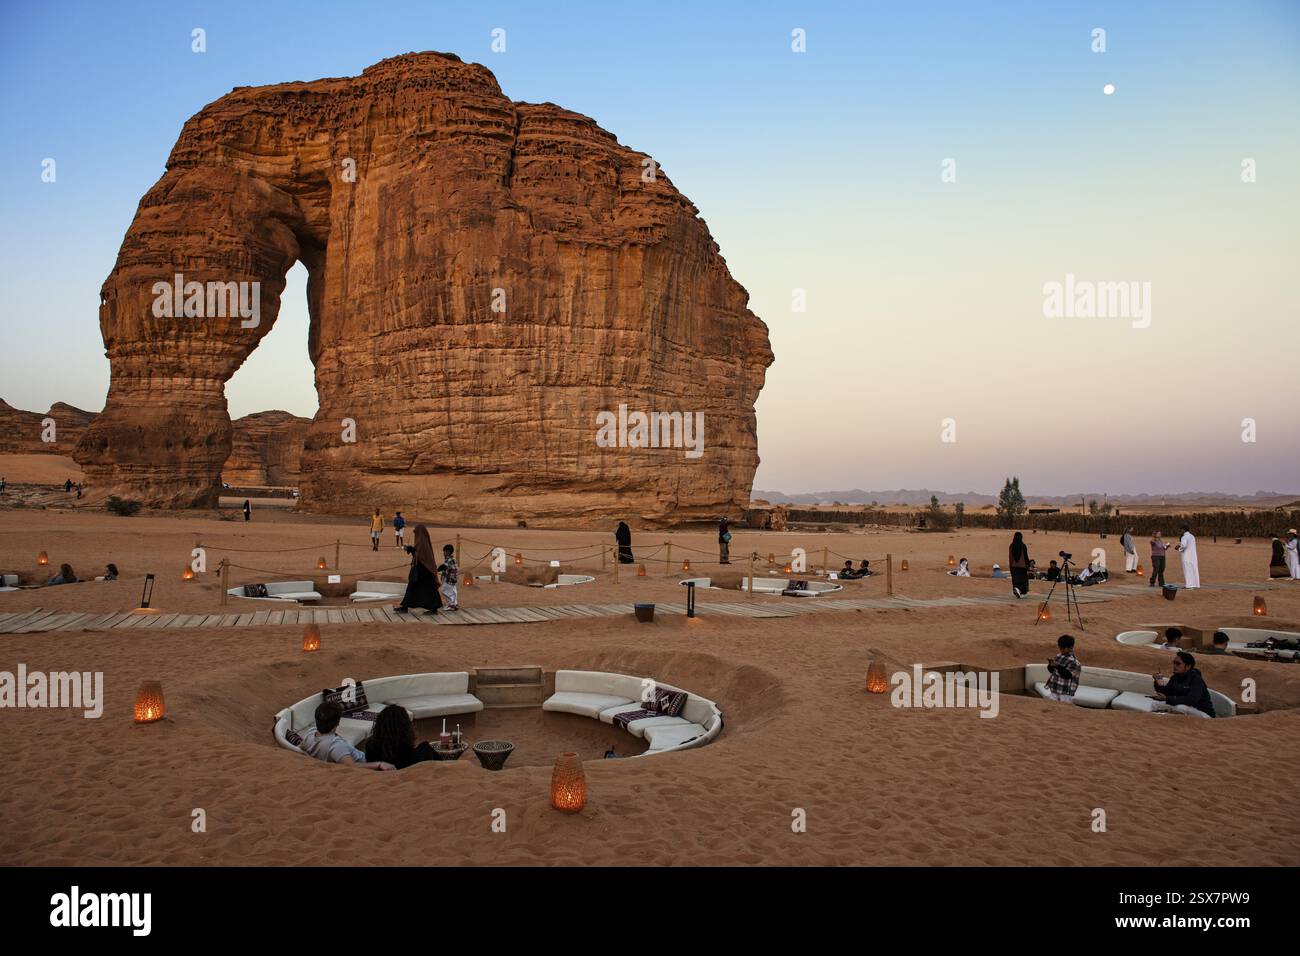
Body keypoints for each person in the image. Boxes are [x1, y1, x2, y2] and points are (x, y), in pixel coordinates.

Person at [300, 702, 395, 769]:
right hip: (369, 762)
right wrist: (379, 764)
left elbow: (301, 748)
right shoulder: (335, 745)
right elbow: (351, 766)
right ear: (337, 723)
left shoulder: (310, 733)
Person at [362, 705, 438, 769]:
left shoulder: (370, 746)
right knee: (425, 746)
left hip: (385, 774)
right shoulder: (405, 747)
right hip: (410, 772)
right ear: (404, 726)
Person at [1152, 651, 1215, 717]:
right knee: (1155, 704)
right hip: (1187, 708)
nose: (1174, 666)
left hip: (1203, 713)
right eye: (1174, 663)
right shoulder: (1175, 677)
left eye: (1178, 664)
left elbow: (1191, 700)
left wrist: (1167, 698)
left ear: (1188, 666)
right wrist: (1158, 682)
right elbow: (1167, 693)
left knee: (1179, 708)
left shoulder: (1196, 679)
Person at [395, 524, 442, 614]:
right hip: (421, 569)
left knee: (426, 588)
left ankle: (433, 608)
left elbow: (419, 555)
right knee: (413, 587)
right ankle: (405, 606)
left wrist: (411, 549)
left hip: (424, 570)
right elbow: (417, 553)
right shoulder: (422, 541)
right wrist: (410, 549)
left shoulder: (421, 541)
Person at [1045, 634, 1081, 702]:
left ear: (1070, 648)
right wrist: (1050, 666)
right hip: (1055, 688)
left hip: (1066, 692)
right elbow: (1053, 671)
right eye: (1060, 648)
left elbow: (1067, 675)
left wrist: (1057, 666)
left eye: (1063, 648)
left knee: (1064, 709)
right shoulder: (1058, 656)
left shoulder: (1074, 662)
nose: (1061, 650)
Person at [437, 543, 459, 611]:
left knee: (444, 590)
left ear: (448, 552)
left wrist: (436, 570)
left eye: (445, 551)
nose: (443, 553)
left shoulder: (450, 560)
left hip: (450, 578)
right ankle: (454, 604)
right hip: (453, 578)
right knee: (453, 591)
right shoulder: (450, 558)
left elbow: (443, 566)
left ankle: (451, 605)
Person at [1008, 532, 1030, 598]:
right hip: (1022, 566)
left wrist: (1011, 565)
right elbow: (1026, 556)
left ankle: (1017, 590)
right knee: (1023, 580)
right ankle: (1021, 592)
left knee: (1016, 579)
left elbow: (1010, 556)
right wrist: (1028, 564)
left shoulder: (1011, 546)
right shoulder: (1023, 545)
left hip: (1014, 566)